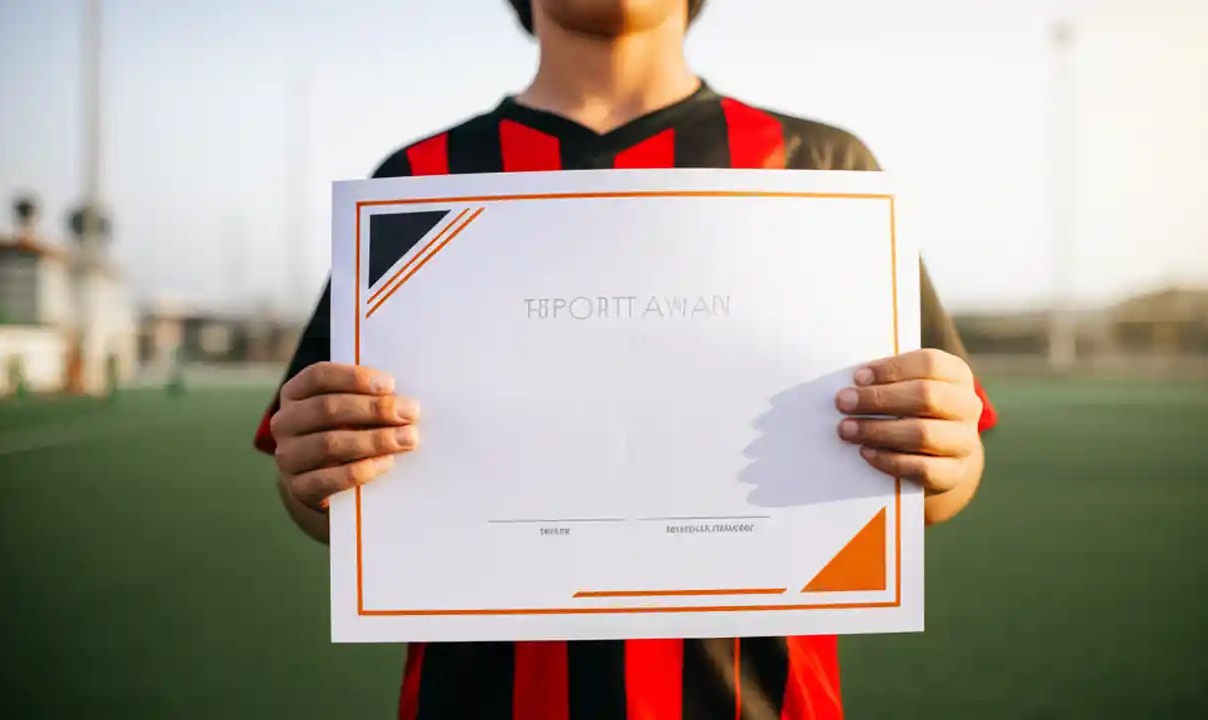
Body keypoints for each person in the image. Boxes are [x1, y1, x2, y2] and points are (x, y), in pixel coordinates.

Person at [253, 1, 999, 717]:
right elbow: (318, 487)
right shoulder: (416, 181)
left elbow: (938, 481)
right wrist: (315, 468)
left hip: (762, 702)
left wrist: (945, 455)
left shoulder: (826, 169)